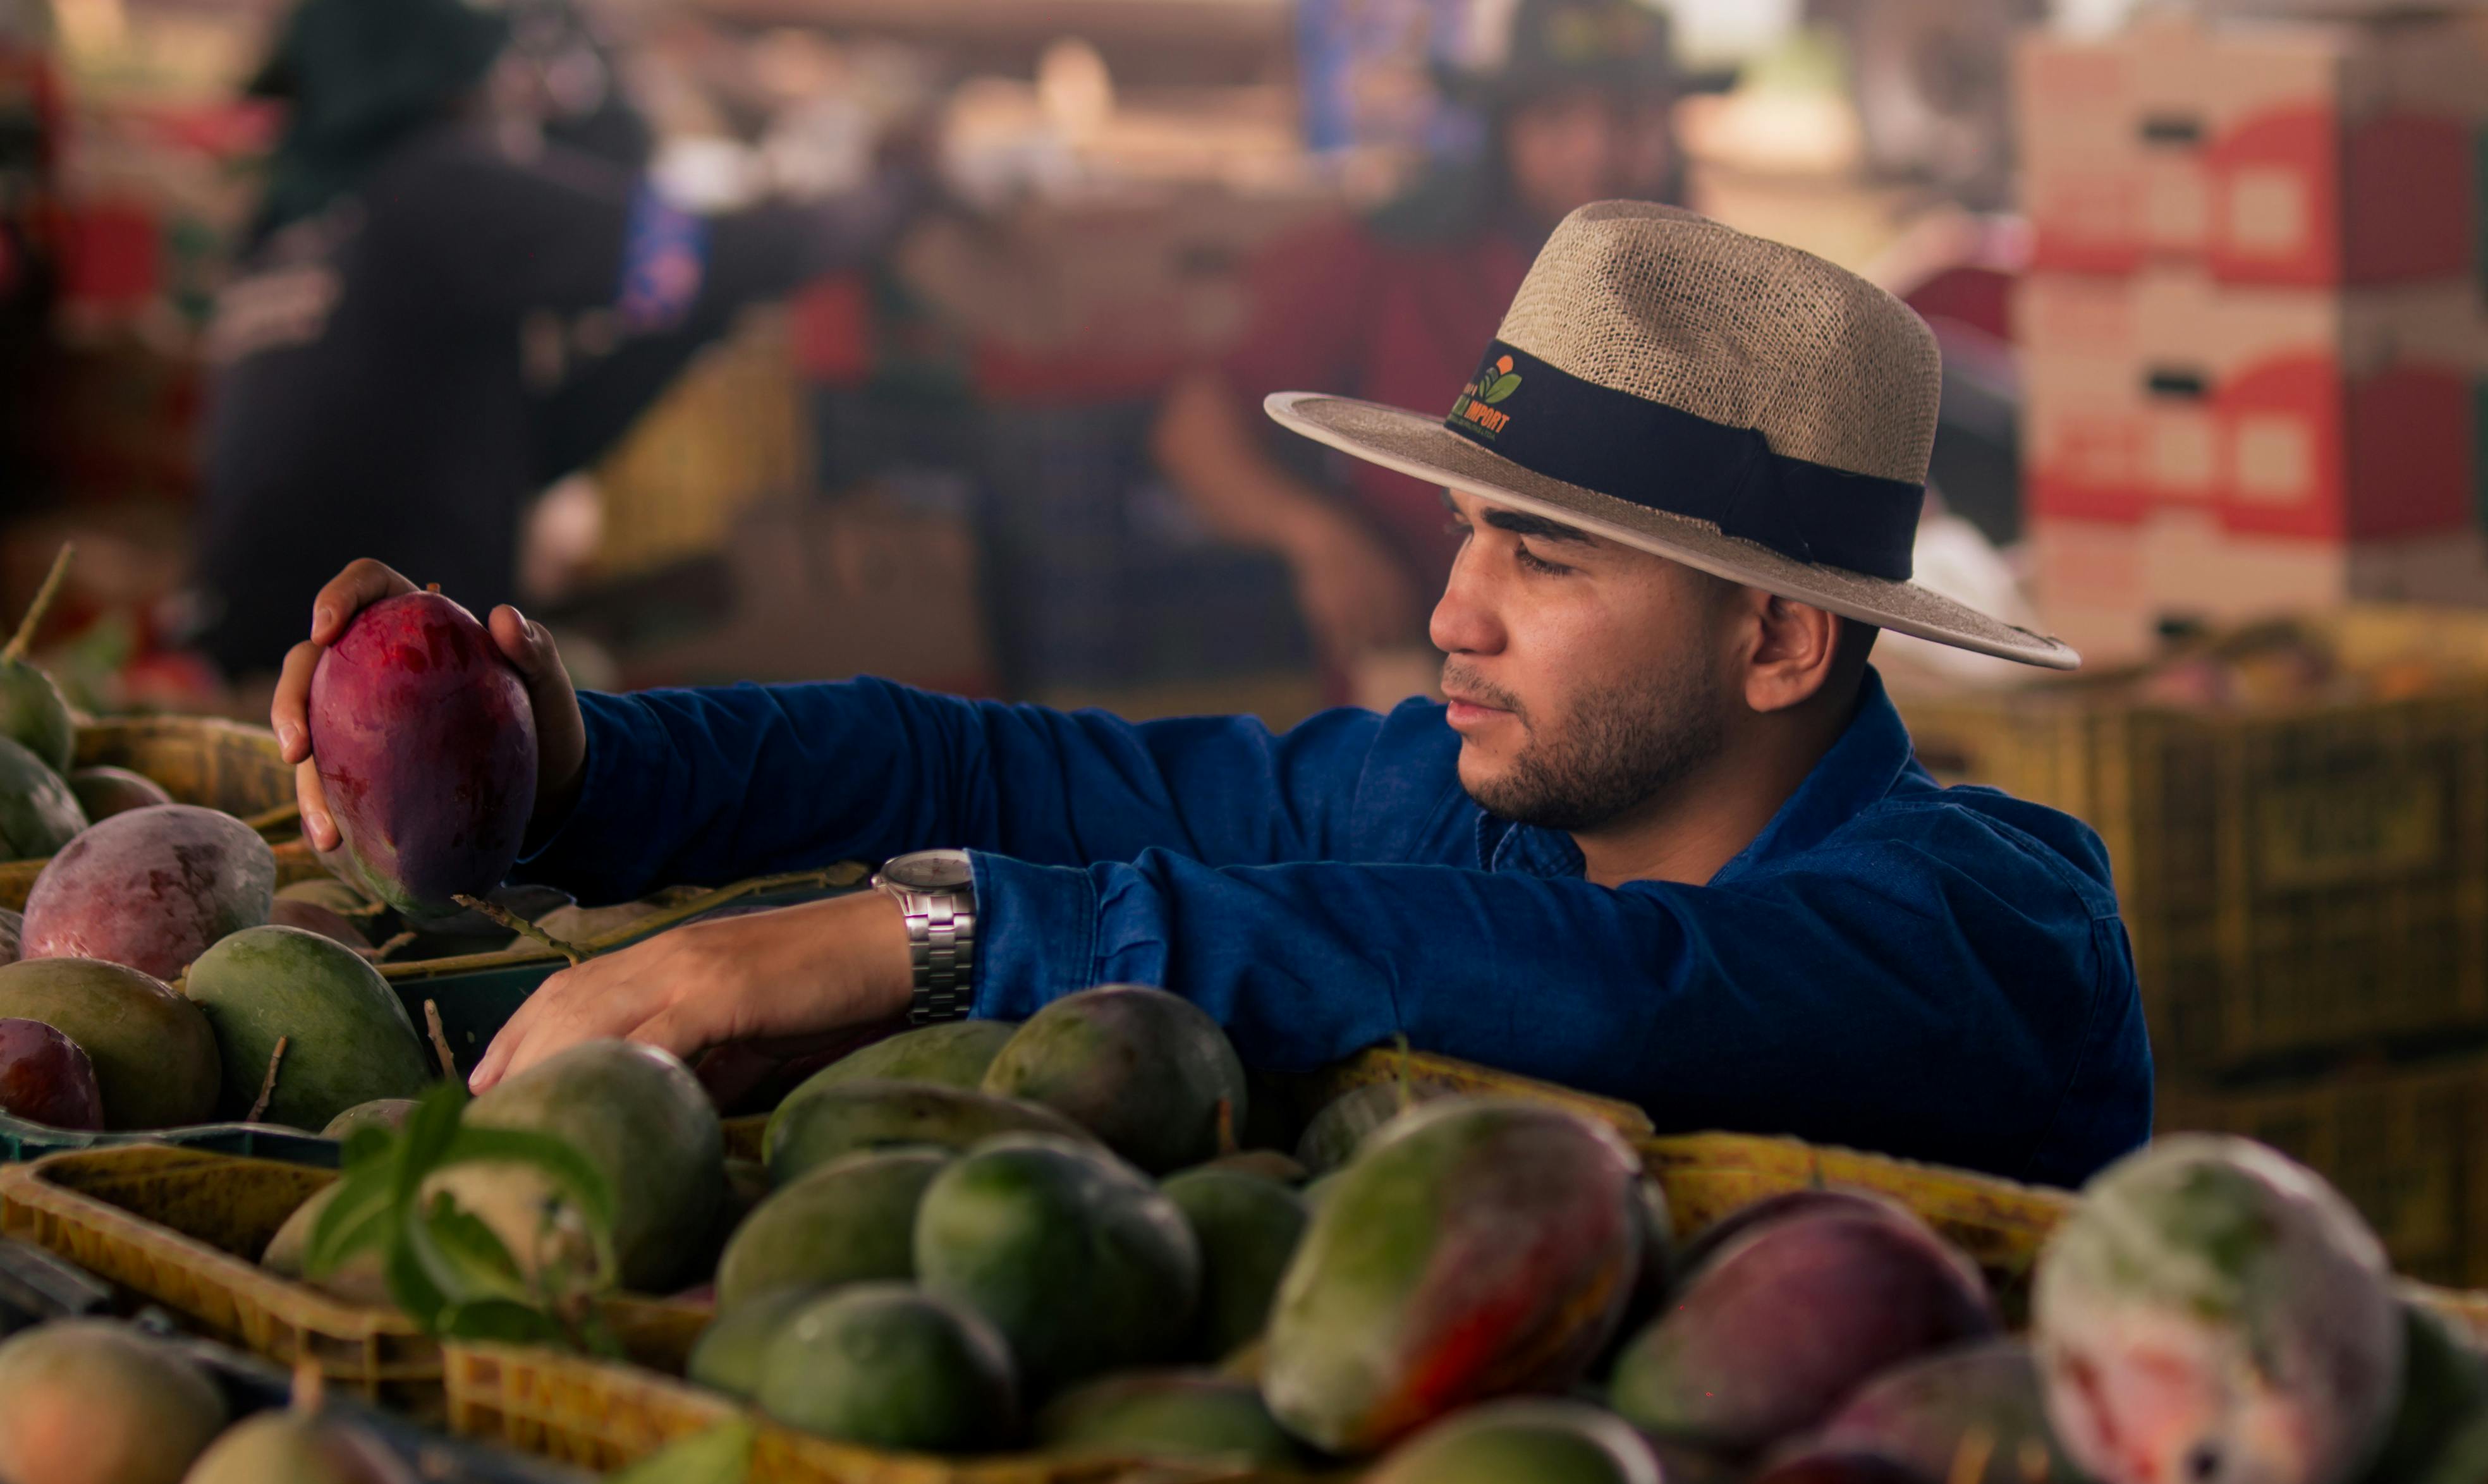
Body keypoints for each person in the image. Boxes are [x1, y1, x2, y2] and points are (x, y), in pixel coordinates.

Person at [274, 204, 2152, 1188]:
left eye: (1545, 556)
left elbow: (1628, 990)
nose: (1449, 614)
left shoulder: (1992, 932)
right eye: (1467, 532)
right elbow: (1004, 765)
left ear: (1779, 640)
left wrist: (917, 942)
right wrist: (574, 757)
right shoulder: (1472, 808)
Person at [189, 0, 917, 681]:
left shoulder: (281, 230)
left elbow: (525, 448)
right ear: (443, 74)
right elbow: (700, 252)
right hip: (381, 685)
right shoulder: (446, 186)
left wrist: (693, 314)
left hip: (259, 661)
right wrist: (889, 196)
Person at [1152, 0, 1685, 707]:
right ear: (1503, 132)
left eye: (1629, 119)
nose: (1597, 152)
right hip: (1420, 682)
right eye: (1556, 119)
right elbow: (1193, 429)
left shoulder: (1706, 290)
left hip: (1629, 696)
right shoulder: (1391, 254)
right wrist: (1317, 536)